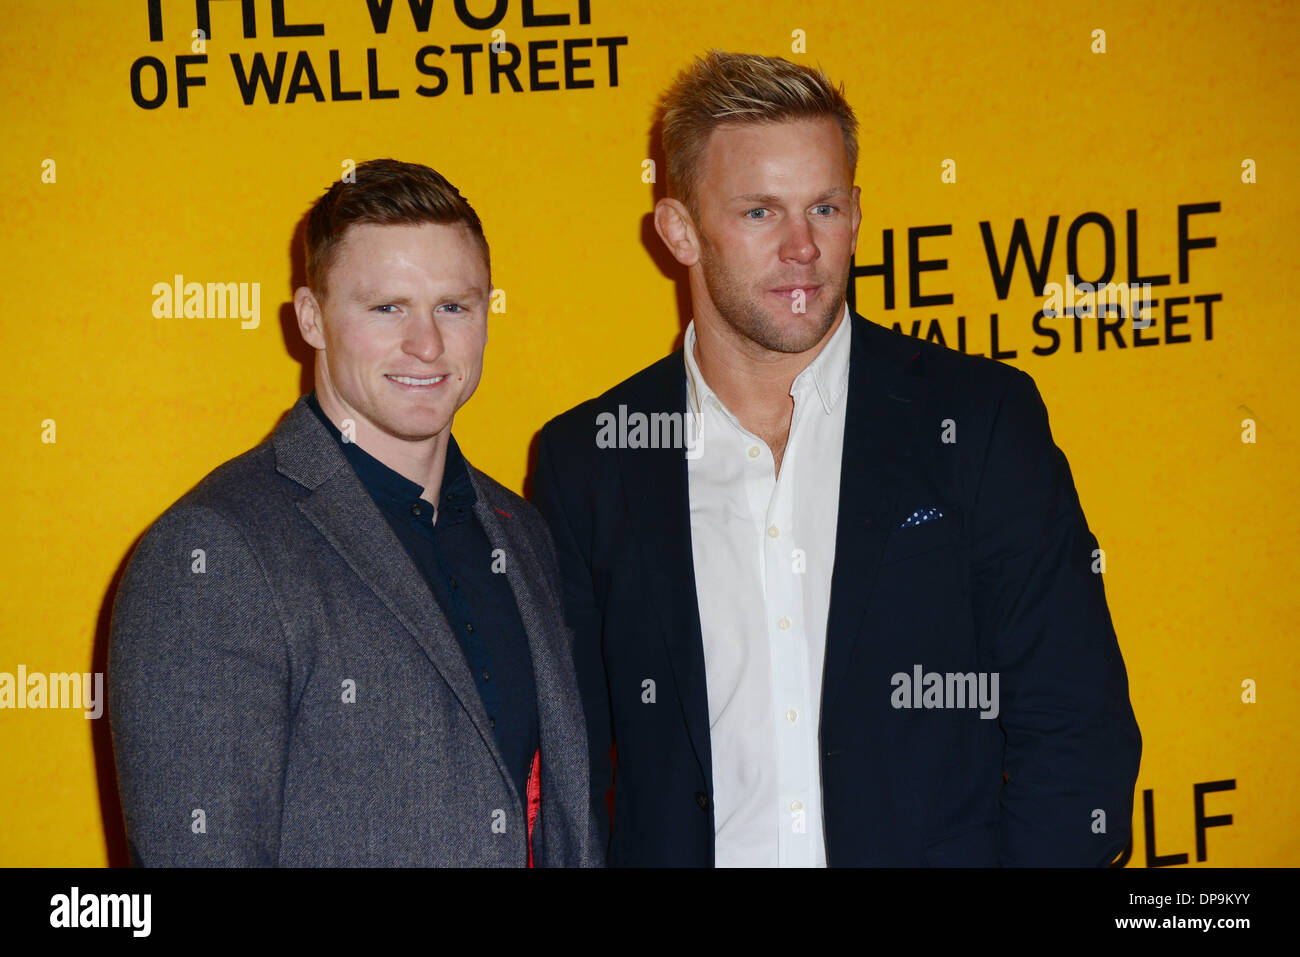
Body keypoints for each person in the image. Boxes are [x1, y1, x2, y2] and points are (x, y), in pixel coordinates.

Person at [531, 51, 1141, 866]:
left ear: (855, 214)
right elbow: (568, 774)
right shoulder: (591, 460)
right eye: (758, 213)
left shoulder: (977, 419)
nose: (801, 248)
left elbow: (1076, 725)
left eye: (823, 208)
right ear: (680, 230)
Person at [110, 158, 598, 867]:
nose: (426, 344)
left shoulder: (519, 531)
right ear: (311, 317)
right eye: (386, 307)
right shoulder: (214, 553)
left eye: (453, 307)